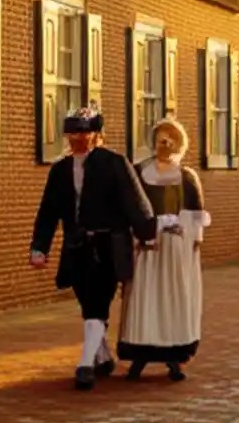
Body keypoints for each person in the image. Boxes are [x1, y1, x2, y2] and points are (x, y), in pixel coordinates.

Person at [30, 105, 156, 391]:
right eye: (73, 132)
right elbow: (48, 211)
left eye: (84, 132)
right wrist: (39, 247)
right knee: (87, 304)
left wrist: (146, 232)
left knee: (99, 303)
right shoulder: (60, 170)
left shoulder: (113, 163)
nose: (78, 138)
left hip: (107, 244)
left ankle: (85, 364)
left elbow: (133, 200)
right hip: (76, 246)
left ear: (97, 135)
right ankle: (102, 356)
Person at [118, 118, 209, 381]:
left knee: (172, 295)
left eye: (171, 137)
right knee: (145, 295)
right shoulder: (138, 173)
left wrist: (191, 237)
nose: (165, 142)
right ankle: (141, 347)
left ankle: (173, 351)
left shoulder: (187, 177)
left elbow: (196, 213)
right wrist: (140, 233)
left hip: (176, 249)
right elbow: (131, 207)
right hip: (148, 247)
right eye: (161, 137)